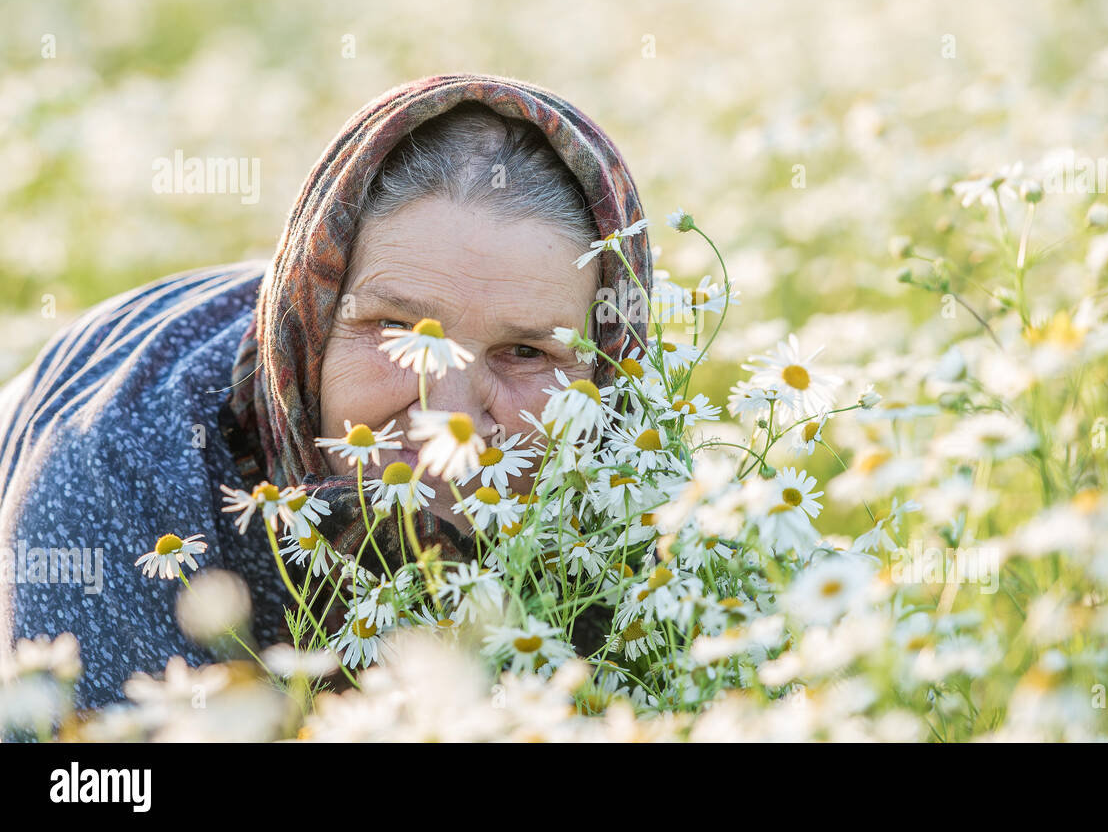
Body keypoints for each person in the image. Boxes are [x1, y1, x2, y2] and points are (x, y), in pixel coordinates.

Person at [0, 73, 652, 710]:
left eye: (526, 352)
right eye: (397, 329)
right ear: (308, 325)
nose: (446, 418)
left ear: (607, 366)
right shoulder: (114, 479)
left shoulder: (646, 498)